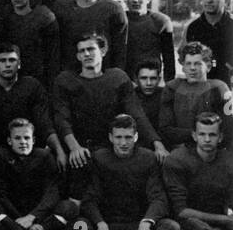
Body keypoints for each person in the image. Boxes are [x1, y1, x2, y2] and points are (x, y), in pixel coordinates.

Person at [53, 32, 165, 181]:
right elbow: (62, 118)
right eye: (82, 51)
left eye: (91, 49)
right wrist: (74, 148)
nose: (86, 54)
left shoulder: (117, 78)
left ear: (103, 51)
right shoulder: (65, 80)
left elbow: (136, 113)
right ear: (78, 56)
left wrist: (157, 144)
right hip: (78, 146)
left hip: (110, 146)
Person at [78, 113, 180, 230]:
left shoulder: (149, 158)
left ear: (136, 137)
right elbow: (89, 200)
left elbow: (158, 197)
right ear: (110, 138)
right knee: (76, 227)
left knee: (172, 228)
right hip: (107, 225)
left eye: (128, 137)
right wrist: (101, 224)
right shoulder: (99, 158)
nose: (123, 143)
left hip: (137, 227)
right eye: (118, 137)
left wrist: (146, 224)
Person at [0, 44, 64, 169]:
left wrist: (59, 151)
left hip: (27, 148)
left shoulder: (32, 86)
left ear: (19, 64)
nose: (8, 65)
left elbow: (44, 123)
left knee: (49, 161)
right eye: (3, 60)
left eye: (12, 60)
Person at [163, 112, 233, 230]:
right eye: (202, 134)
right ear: (194, 135)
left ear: (220, 137)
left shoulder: (230, 161)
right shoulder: (178, 159)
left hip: (221, 225)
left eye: (212, 135)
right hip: (191, 225)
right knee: (193, 226)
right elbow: (181, 211)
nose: (207, 139)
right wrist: (224, 220)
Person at [53, 0, 127, 72]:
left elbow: (120, 51)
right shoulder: (62, 9)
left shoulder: (112, 9)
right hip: (72, 77)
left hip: (103, 77)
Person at [158, 42, 231, 150]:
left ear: (208, 66)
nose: (192, 68)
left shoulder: (219, 88)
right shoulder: (172, 88)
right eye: (188, 64)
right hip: (181, 149)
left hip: (213, 149)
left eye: (197, 64)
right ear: (183, 67)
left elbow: (228, 127)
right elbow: (165, 129)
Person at [1, 0, 60, 90]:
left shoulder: (44, 17)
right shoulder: (5, 19)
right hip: (13, 80)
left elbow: (53, 56)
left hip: (38, 79)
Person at [185, 0, 233, 89]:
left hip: (230, 88)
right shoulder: (192, 28)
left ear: (226, 0)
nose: (209, 0)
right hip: (202, 90)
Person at [125, 0, 175, 83]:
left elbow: (169, 61)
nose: (135, 0)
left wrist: (168, 87)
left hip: (152, 82)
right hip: (126, 82)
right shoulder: (120, 22)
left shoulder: (161, 22)